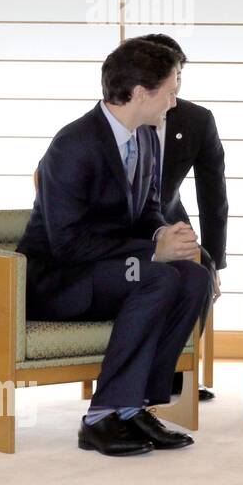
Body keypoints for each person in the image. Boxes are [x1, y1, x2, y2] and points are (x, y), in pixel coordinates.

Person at [17, 39, 212, 456]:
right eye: (170, 90)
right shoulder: (74, 144)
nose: (174, 102)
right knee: (156, 278)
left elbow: (148, 210)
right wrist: (150, 254)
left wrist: (163, 234)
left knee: (193, 277)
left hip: (110, 272)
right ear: (140, 93)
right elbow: (67, 244)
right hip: (60, 280)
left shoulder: (143, 138)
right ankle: (100, 417)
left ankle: (135, 405)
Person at [130, 33, 228, 402]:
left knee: (198, 268)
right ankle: (133, 367)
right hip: (123, 226)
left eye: (179, 79)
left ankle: (174, 368)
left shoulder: (197, 119)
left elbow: (213, 195)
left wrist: (214, 259)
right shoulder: (121, 112)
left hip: (169, 221)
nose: (173, 93)